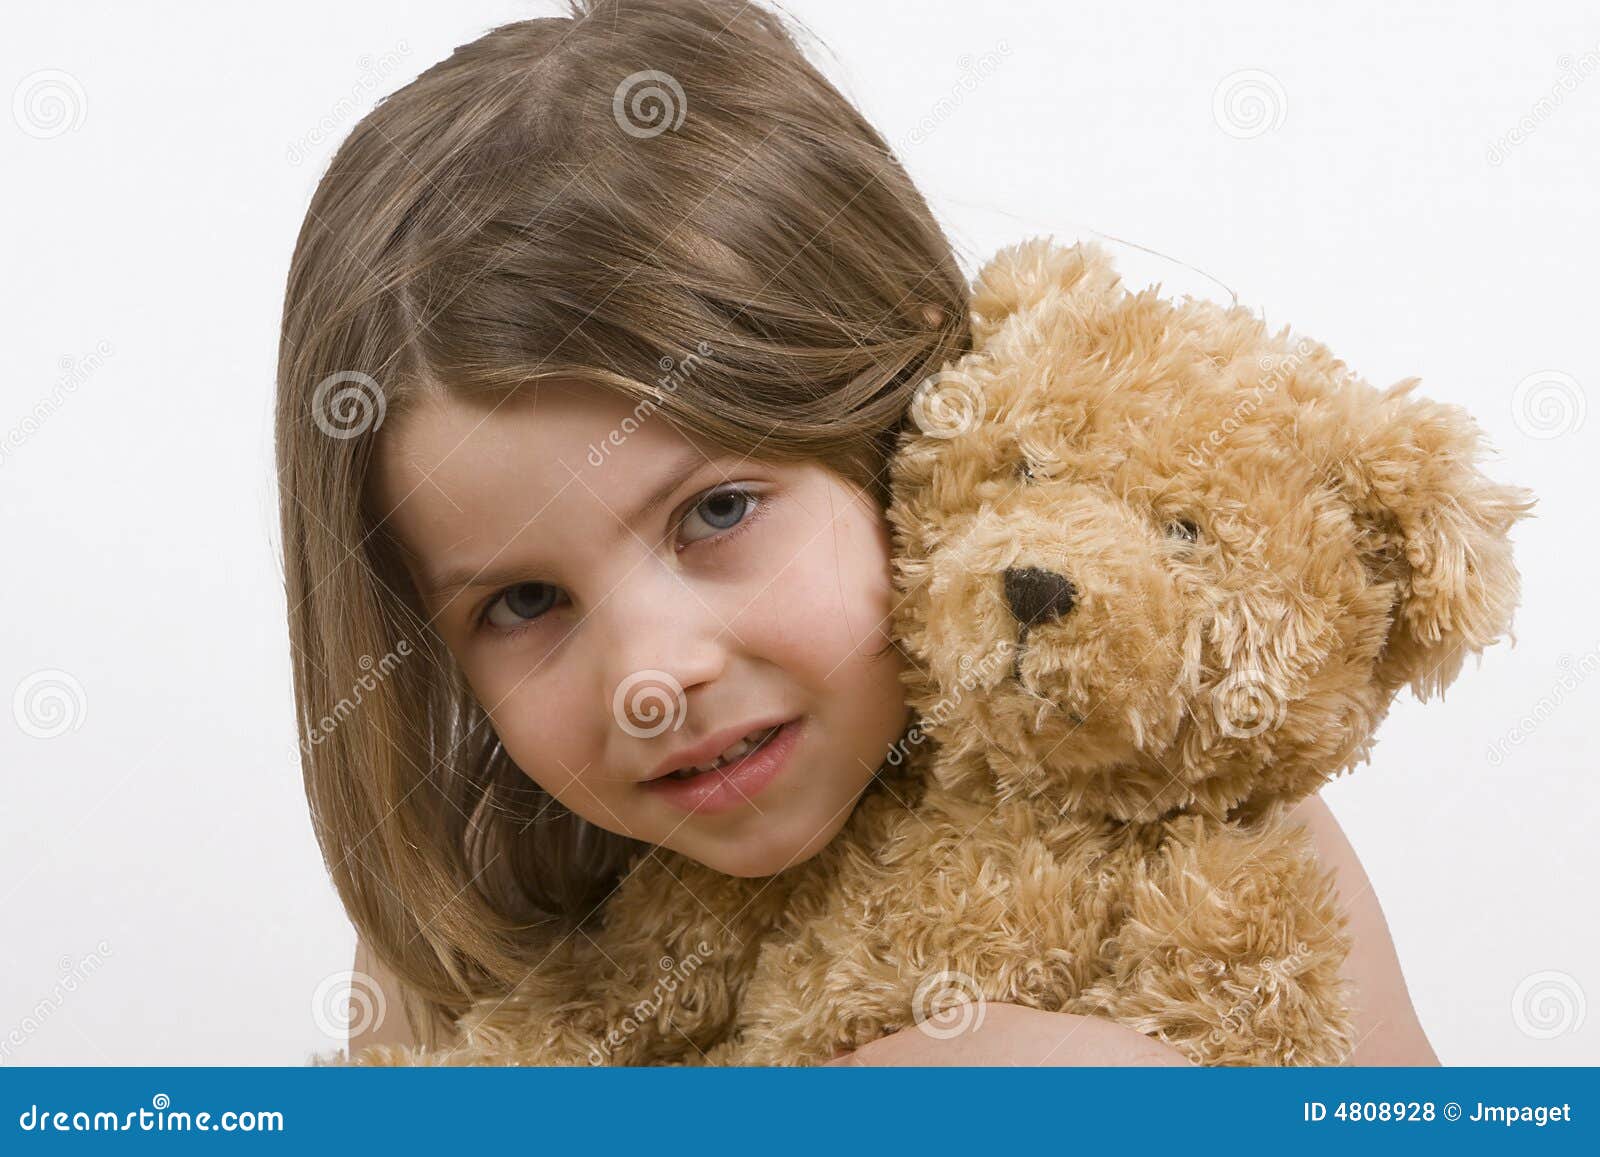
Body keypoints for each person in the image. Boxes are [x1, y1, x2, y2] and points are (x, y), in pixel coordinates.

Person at [276, 0, 1436, 1065]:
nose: (647, 677)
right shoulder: (478, 914)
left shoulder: (1188, 803)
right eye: (523, 603)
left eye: (716, 513)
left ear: (908, 412)